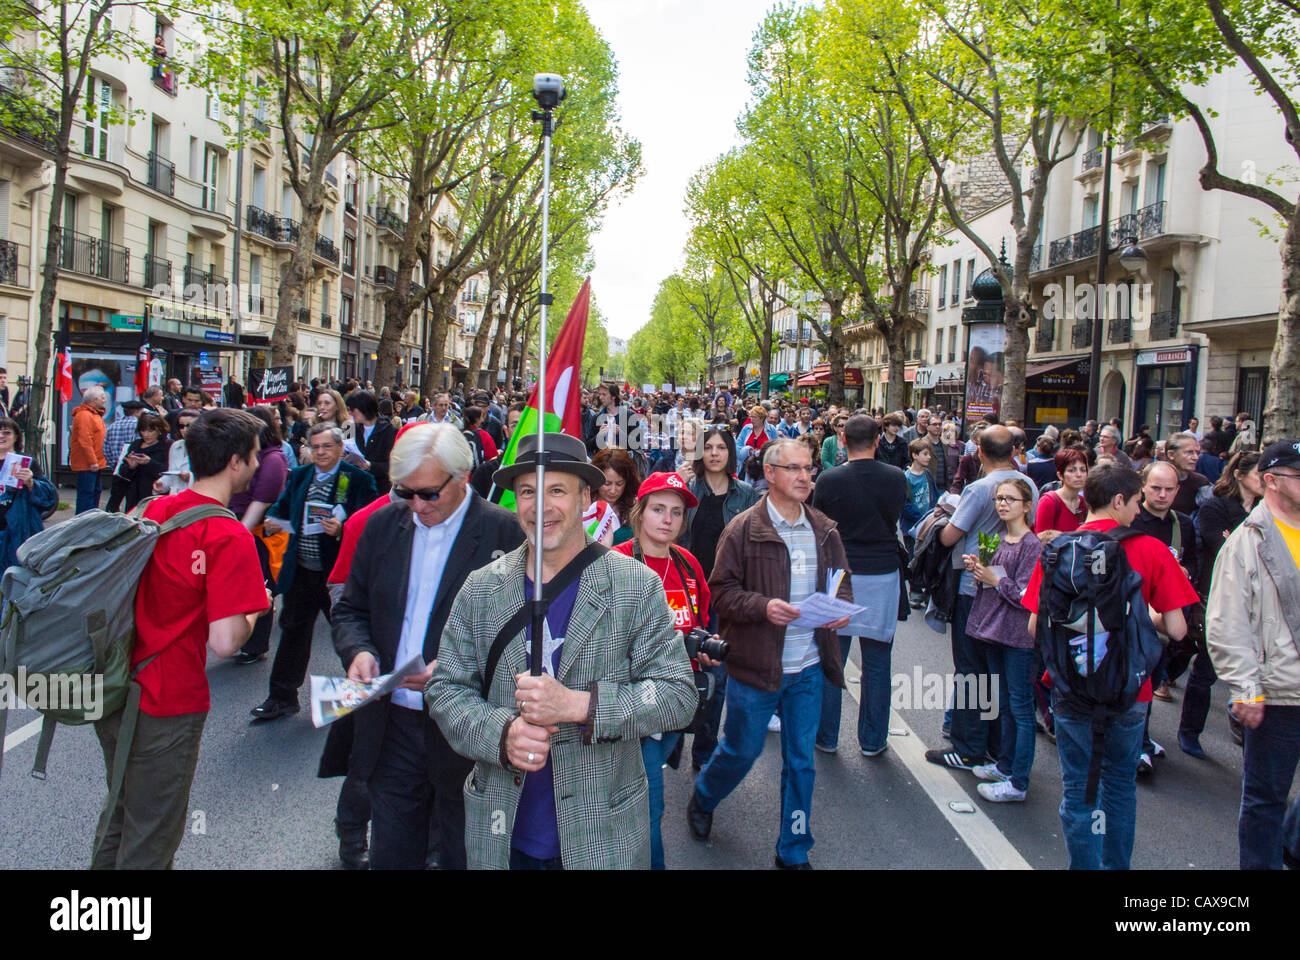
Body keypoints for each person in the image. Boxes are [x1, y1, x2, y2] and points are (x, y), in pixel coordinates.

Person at [426, 432, 696, 869]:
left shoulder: (635, 585)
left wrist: (580, 705)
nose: (541, 506)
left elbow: (677, 695)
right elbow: (446, 690)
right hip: (501, 833)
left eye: (556, 490)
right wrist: (501, 734)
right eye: (528, 492)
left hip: (601, 837)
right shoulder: (481, 588)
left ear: (586, 496)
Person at [331, 424, 525, 870]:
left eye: (428, 494)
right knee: (392, 854)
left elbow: (524, 637)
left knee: (466, 855)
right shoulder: (382, 525)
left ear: (463, 478)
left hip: (467, 730)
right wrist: (358, 652)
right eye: (404, 493)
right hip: (392, 725)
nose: (416, 505)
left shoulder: (506, 535)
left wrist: (457, 670)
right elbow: (350, 610)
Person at [92, 409, 272, 869]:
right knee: (153, 837)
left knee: (121, 812)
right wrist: (258, 604)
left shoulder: (153, 510)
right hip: (168, 699)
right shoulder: (229, 535)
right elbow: (225, 642)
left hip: (114, 686)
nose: (257, 464)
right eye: (253, 456)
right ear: (234, 461)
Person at [687, 438, 853, 869]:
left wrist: (839, 612)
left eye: (808, 469)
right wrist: (763, 607)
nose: (805, 477)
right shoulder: (743, 528)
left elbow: (841, 580)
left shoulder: (825, 529)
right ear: (771, 473)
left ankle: (793, 849)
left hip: (809, 668)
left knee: (801, 763)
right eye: (794, 469)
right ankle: (704, 796)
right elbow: (720, 593)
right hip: (755, 668)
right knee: (741, 750)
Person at [1022, 464, 1196, 870]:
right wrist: (1140, 615)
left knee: (1081, 790)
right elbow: (1178, 628)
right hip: (1131, 692)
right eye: (1136, 501)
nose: (1139, 511)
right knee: (1118, 787)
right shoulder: (1151, 549)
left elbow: (1035, 626)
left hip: (1071, 686)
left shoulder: (1058, 550)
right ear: (1119, 500)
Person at [612, 471, 715, 869]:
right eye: (658, 509)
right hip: (631, 706)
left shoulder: (687, 563)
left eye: (676, 512)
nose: (667, 520)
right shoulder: (614, 562)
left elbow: (700, 620)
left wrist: (703, 650)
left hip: (675, 704)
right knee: (649, 809)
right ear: (639, 512)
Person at [1206, 439, 1300, 869]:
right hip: (1277, 692)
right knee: (1265, 799)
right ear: (1271, 481)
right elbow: (1227, 622)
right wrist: (1244, 687)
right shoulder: (1248, 541)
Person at [926, 426, 1037, 771]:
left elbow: (949, 538)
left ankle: (969, 745)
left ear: (980, 451)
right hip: (1010, 580)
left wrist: (941, 518)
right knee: (995, 673)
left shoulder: (978, 489)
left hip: (977, 582)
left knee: (972, 669)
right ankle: (994, 744)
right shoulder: (1028, 483)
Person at [251, 423, 377, 721]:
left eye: (327, 447)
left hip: (338, 574)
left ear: (340, 449)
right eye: (315, 447)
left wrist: (343, 529)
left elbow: (371, 521)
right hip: (302, 570)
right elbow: (281, 510)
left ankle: (366, 696)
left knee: (351, 636)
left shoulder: (356, 479)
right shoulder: (299, 476)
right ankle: (281, 697)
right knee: (293, 632)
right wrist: (272, 520)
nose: (320, 453)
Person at [812, 416, 908, 758]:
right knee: (878, 660)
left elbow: (818, 523)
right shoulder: (896, 478)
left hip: (841, 572)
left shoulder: (829, 478)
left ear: (843, 438)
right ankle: (872, 738)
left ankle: (826, 735)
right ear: (878, 439)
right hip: (882, 571)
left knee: (833, 657)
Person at [963, 476, 1042, 802]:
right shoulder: (993, 537)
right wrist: (977, 570)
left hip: (1018, 637)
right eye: (999, 498)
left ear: (1026, 506)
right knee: (1006, 705)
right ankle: (1005, 765)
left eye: (1010, 499)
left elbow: (1028, 594)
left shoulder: (1032, 545)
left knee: (1021, 710)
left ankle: (1018, 780)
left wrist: (996, 581)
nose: (1002, 504)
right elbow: (986, 582)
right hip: (992, 631)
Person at [1183, 451, 1262, 753]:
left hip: (1257, 602)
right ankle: (1190, 732)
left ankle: (1241, 717)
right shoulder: (1216, 506)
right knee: (1206, 669)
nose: (1264, 481)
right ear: (1240, 475)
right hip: (1218, 596)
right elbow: (1224, 548)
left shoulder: (1267, 510)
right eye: (1258, 473)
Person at [1128, 462, 1199, 768]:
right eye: (1156, 488)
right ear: (1143, 486)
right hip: (1135, 615)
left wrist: (1183, 573)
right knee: (1134, 685)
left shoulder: (1182, 524)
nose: (1162, 494)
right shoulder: (1131, 519)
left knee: (1155, 677)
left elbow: (1193, 563)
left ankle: (1141, 738)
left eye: (1169, 489)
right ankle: (1135, 743)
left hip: (1167, 617)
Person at [228, 405, 290, 666]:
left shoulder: (273, 459)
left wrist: (239, 533)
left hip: (260, 532)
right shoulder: (245, 455)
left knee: (260, 586)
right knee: (243, 586)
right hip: (240, 525)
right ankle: (242, 638)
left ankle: (255, 645)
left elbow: (262, 500)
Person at [0, 416, 56, 568]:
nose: (1, 436)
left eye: (6, 433)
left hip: (19, 531)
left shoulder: (27, 462)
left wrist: (31, 483)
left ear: (16, 436)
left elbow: (49, 498)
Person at [345, 389, 396, 495]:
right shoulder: (350, 428)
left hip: (378, 490)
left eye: (352, 409)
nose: (349, 413)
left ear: (363, 408)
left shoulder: (389, 431)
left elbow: (392, 466)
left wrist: (370, 466)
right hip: (353, 489)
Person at [118, 412, 172, 512]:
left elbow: (169, 470)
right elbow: (123, 472)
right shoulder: (136, 444)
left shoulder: (167, 445)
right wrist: (131, 467)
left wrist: (149, 463)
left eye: (151, 431)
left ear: (159, 430)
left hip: (155, 493)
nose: (146, 434)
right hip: (134, 494)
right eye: (143, 431)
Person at [1033, 448, 1089, 539]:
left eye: (1083, 470)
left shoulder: (1084, 503)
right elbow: (1042, 542)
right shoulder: (1048, 502)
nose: (1079, 475)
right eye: (1072, 470)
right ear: (1060, 475)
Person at [591, 447, 640, 547]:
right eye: (607, 484)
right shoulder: (583, 504)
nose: (613, 491)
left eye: (619, 484)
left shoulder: (635, 508)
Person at [71, 385, 109, 513]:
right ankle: (83, 522)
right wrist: (92, 461)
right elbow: (85, 440)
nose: (105, 400)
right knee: (87, 494)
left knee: (94, 491)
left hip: (94, 463)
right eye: (102, 398)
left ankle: (90, 519)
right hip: (87, 464)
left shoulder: (93, 414)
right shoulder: (85, 416)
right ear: (94, 400)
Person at [103, 400, 146, 512]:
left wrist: (114, 464)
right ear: (136, 412)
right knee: (132, 503)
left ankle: (111, 522)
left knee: (114, 501)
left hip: (118, 469)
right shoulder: (138, 426)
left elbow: (106, 449)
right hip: (133, 469)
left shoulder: (113, 426)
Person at [152, 409, 199, 497]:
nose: (185, 429)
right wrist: (161, 483)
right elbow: (171, 474)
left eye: (190, 426)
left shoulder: (206, 447)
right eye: (181, 426)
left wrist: (190, 477)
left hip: (195, 496)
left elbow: (211, 478)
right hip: (175, 496)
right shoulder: (176, 446)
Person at [1165, 431, 1212, 517]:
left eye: (1197, 453)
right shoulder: (1153, 479)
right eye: (1189, 452)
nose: (1196, 458)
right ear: (1171, 454)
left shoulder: (1200, 482)